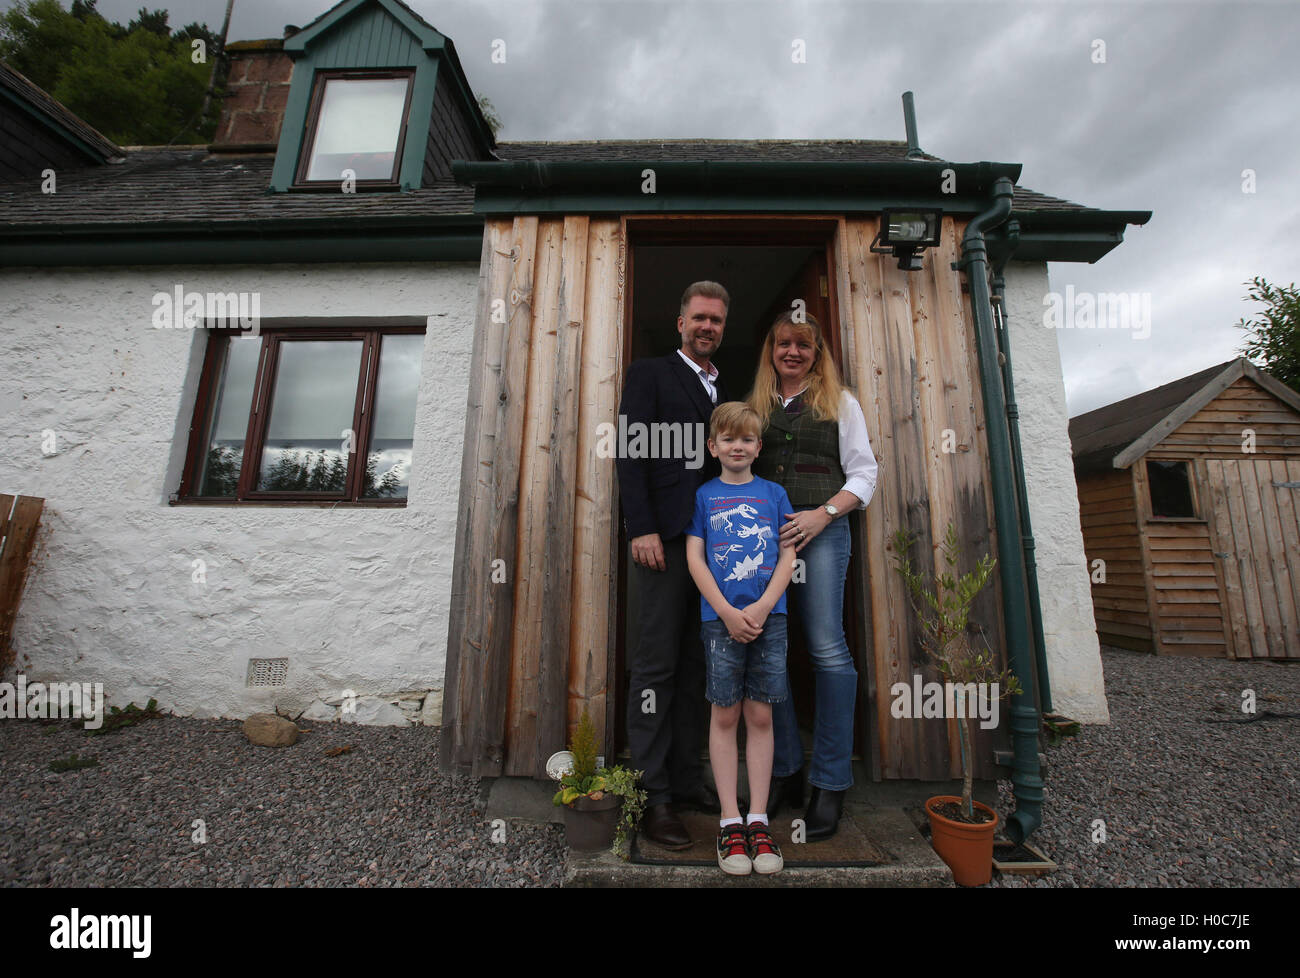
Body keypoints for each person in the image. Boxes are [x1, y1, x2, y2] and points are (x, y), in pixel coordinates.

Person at [748, 310, 878, 841]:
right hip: (764, 540)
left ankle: (830, 780)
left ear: (817, 352)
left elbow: (866, 472)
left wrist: (822, 514)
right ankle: (784, 770)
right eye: (784, 344)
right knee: (769, 649)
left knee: (827, 649)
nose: (793, 352)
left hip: (821, 532)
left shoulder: (840, 403)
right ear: (772, 351)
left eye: (803, 345)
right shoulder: (755, 404)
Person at [616, 281, 731, 849]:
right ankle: (653, 797)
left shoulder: (724, 389)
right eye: (699, 318)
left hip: (712, 550)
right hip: (662, 540)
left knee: (698, 667)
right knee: (656, 668)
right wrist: (640, 527)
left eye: (716, 320)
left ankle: (687, 782)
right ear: (680, 322)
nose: (707, 327)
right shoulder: (651, 373)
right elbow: (630, 449)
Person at [685, 401, 797, 875]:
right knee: (726, 714)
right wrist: (728, 612)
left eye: (746, 439)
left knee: (760, 714)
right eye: (728, 439)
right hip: (720, 622)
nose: (737, 446)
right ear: (713, 447)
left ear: (758, 447)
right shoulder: (705, 496)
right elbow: (696, 558)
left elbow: (788, 556)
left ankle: (759, 817)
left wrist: (762, 606)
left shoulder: (774, 494)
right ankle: (730, 820)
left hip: (769, 619)